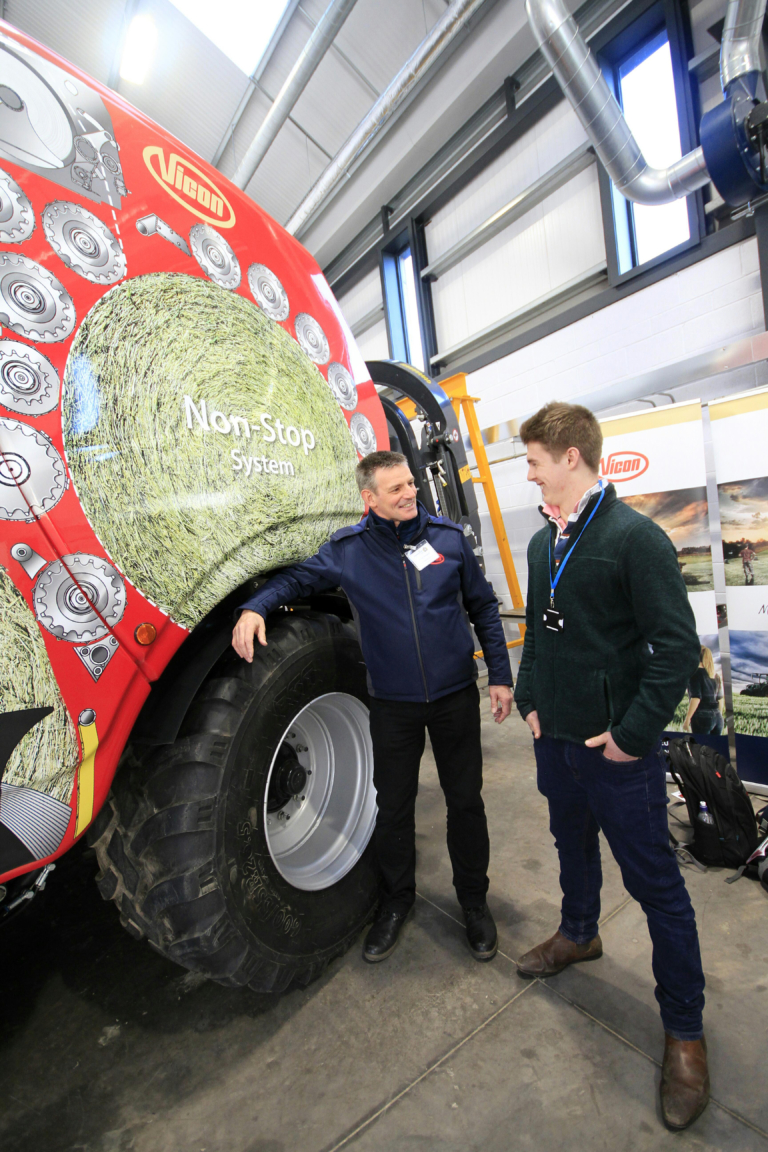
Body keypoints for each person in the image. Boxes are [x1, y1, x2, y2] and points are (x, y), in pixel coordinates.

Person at [232, 450, 513, 965]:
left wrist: (500, 675)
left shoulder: (447, 541)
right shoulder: (348, 551)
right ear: (370, 499)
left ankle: (474, 903)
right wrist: (256, 607)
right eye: (396, 489)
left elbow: (484, 607)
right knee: (394, 809)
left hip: (453, 698)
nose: (409, 493)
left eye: (410, 484)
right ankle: (396, 903)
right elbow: (296, 580)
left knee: (465, 804)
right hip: (393, 706)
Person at [513, 402, 708, 1132]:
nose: (528, 471)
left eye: (534, 459)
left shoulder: (635, 539)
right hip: (554, 744)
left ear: (569, 456)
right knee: (570, 845)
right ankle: (579, 932)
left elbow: (675, 649)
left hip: (616, 755)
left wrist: (630, 735)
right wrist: (531, 697)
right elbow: (537, 628)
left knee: (658, 886)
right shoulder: (541, 543)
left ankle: (685, 1031)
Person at [683, 647, 725, 735]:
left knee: (701, 747)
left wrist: (687, 720)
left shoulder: (694, 674)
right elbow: (720, 699)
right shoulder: (715, 675)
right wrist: (717, 716)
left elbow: (696, 698)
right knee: (714, 748)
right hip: (718, 718)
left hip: (702, 717)